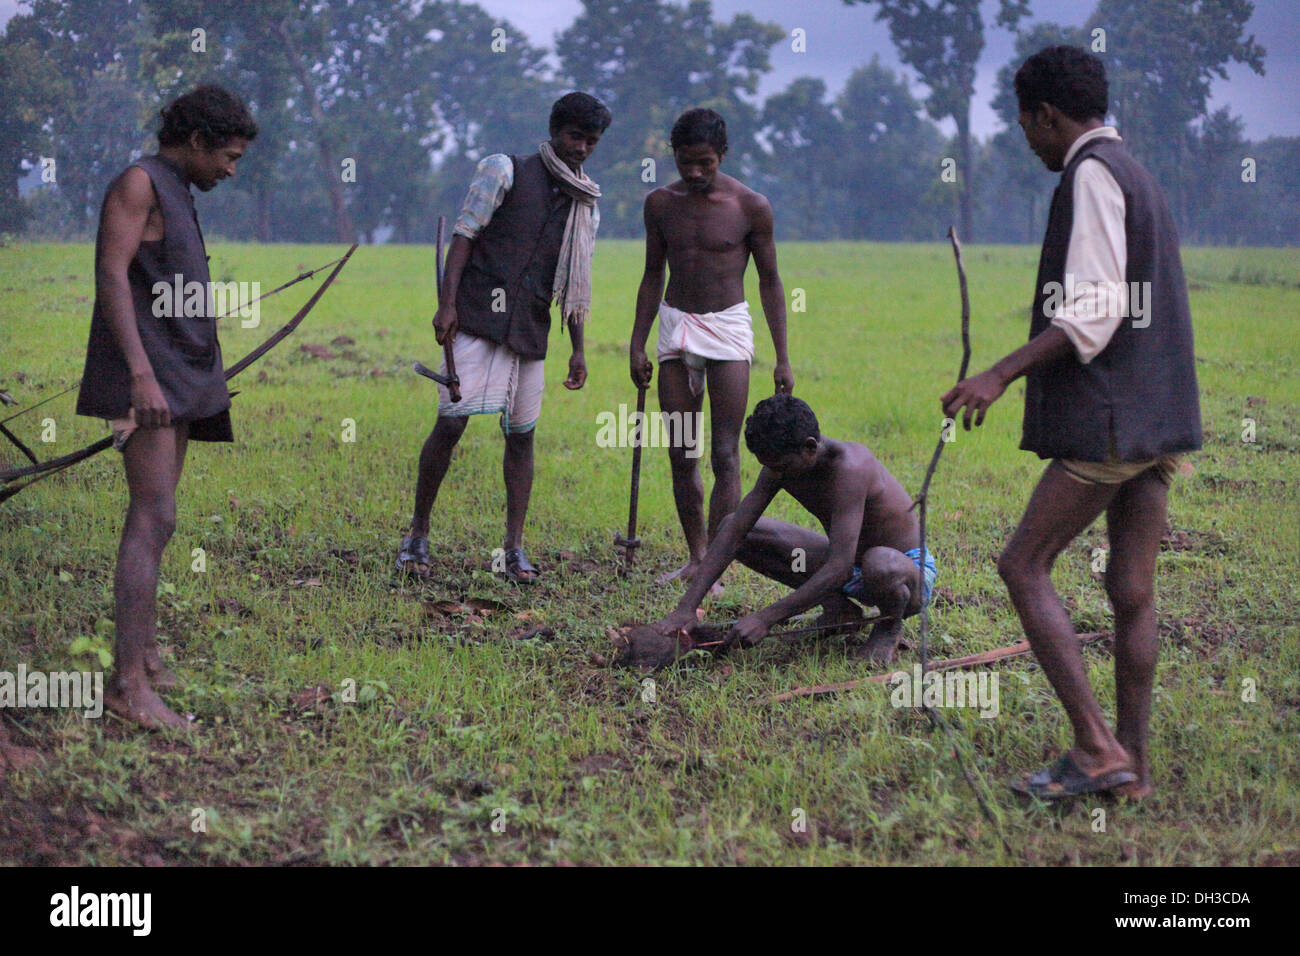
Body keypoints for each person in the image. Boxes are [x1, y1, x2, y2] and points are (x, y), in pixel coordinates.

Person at [942, 46, 1202, 800]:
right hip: (1158, 417)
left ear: (1047, 115)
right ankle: (1133, 767)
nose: (1029, 141)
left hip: (1114, 418)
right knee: (1130, 588)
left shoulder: (1090, 174)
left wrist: (999, 373)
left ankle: (1094, 746)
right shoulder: (1137, 171)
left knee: (1022, 564)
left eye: (1028, 125)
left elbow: (1093, 309)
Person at [76, 85, 258, 728]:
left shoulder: (176, 188)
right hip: (150, 376)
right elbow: (110, 278)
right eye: (228, 156)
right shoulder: (139, 183)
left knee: (164, 516)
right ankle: (127, 687)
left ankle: (147, 657)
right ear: (199, 140)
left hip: (180, 371)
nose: (231, 170)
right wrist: (139, 377)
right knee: (151, 518)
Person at [397, 92, 611, 584]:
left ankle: (514, 549)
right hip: (475, 319)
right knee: (451, 424)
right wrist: (447, 304)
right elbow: (465, 236)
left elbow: (575, 282)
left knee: (522, 436)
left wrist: (578, 348)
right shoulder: (505, 170)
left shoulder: (586, 205)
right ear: (555, 131)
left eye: (591, 141)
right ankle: (417, 536)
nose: (581, 148)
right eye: (575, 137)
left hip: (531, 330)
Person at [629, 108, 793, 593]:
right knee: (683, 451)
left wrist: (782, 357)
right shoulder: (659, 204)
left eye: (705, 163)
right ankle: (696, 558)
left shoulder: (751, 206)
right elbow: (653, 274)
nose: (695, 173)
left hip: (727, 330)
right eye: (685, 163)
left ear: (722, 155)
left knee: (726, 452)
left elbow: (769, 281)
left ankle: (716, 566)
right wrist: (636, 343)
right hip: (677, 328)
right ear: (673, 157)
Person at [656, 395, 936, 660]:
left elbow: (840, 567)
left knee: (880, 562)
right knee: (735, 527)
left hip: (904, 575)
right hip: (852, 566)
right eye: (769, 466)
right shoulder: (781, 465)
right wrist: (686, 607)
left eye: (780, 466)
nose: (775, 473)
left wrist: (767, 617)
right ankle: (839, 611)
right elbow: (735, 531)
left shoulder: (851, 469)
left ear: (810, 447)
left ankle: (888, 625)